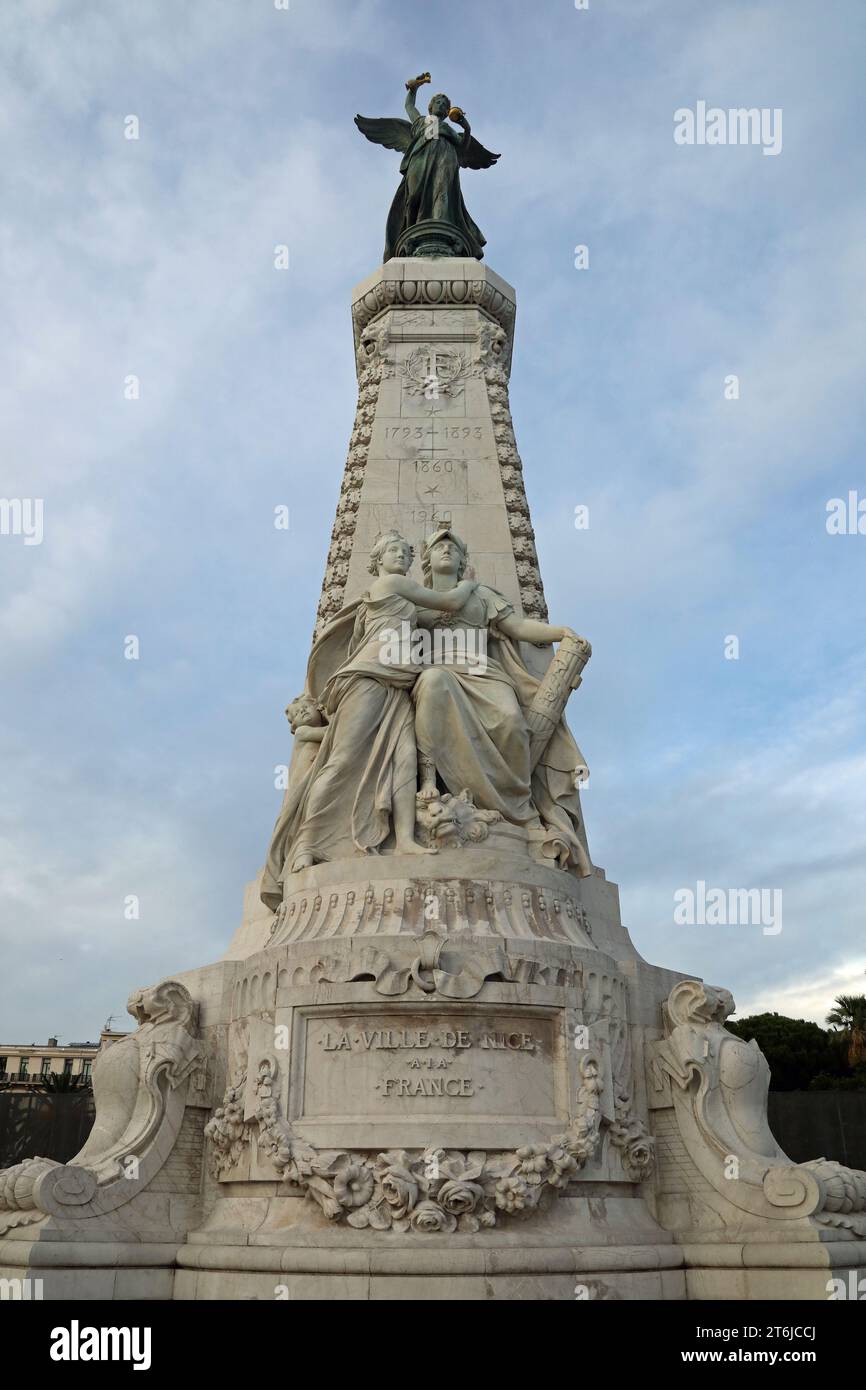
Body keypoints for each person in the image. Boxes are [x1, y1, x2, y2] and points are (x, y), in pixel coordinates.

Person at [260, 531, 477, 906]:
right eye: (393, 551)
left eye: (404, 552)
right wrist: (470, 583)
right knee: (341, 759)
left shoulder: (401, 599)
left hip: (399, 683)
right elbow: (449, 601)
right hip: (369, 678)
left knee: (405, 758)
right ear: (377, 561)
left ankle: (406, 839)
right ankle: (305, 845)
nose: (401, 556)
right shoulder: (391, 584)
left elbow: (437, 616)